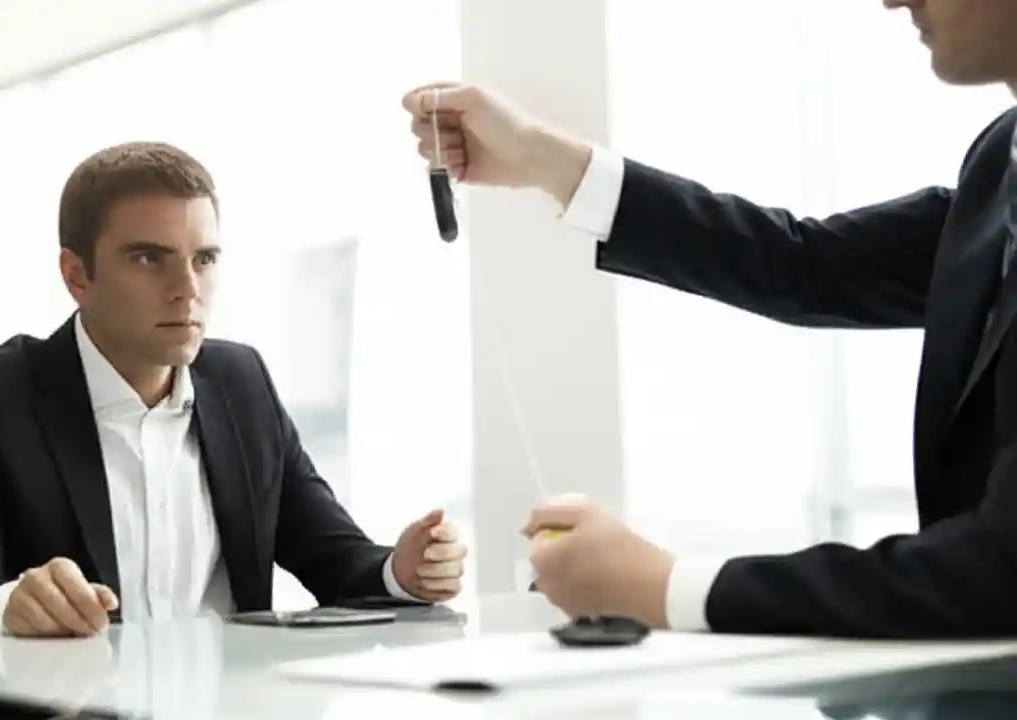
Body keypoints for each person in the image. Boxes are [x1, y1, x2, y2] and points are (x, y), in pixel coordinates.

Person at [402, 0, 1017, 637]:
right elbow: (804, 263)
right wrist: (542, 159)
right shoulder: (1002, 159)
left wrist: (658, 586)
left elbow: (1003, 569)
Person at [0, 142, 467, 641]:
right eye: (149, 258)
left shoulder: (240, 383)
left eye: (205, 259)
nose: (187, 289)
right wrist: (13, 606)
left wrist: (404, 572)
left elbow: (335, 559)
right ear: (77, 275)